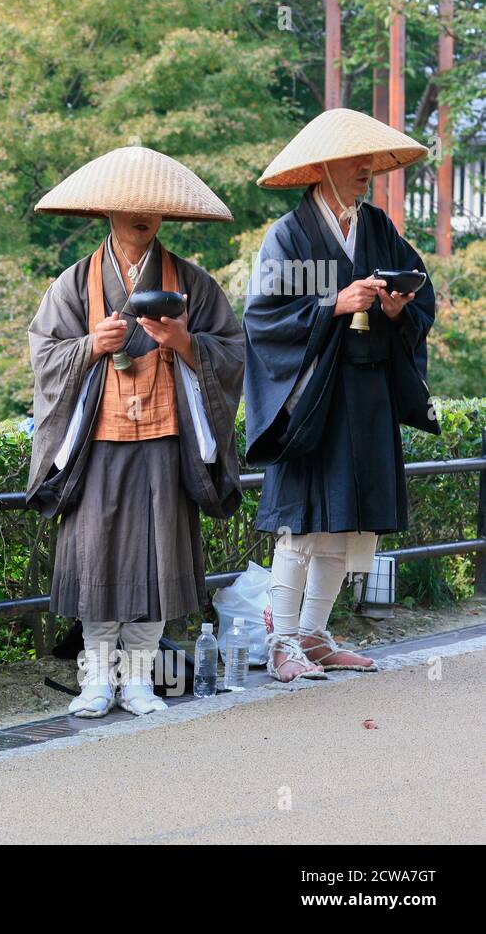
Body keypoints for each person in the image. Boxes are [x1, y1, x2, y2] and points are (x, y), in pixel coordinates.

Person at [26, 147, 245, 717]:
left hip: (167, 441)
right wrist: (89, 346)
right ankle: (97, 680)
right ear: (108, 213)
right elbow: (44, 352)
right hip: (99, 441)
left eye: (153, 208)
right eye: (130, 207)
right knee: (97, 563)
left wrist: (185, 343)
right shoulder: (76, 284)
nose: (142, 215)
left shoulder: (191, 284)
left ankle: (141, 681)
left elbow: (233, 350)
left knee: (157, 561)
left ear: (165, 215)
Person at [245, 108, 438, 682]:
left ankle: (314, 635)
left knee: (348, 520)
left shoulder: (378, 226)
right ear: (322, 167)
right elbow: (263, 319)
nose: (367, 170)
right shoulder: (289, 235)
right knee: (303, 519)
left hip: (370, 390)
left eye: (370, 162)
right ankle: (282, 641)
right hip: (314, 397)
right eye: (356, 161)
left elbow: (419, 293)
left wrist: (400, 308)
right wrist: (333, 304)